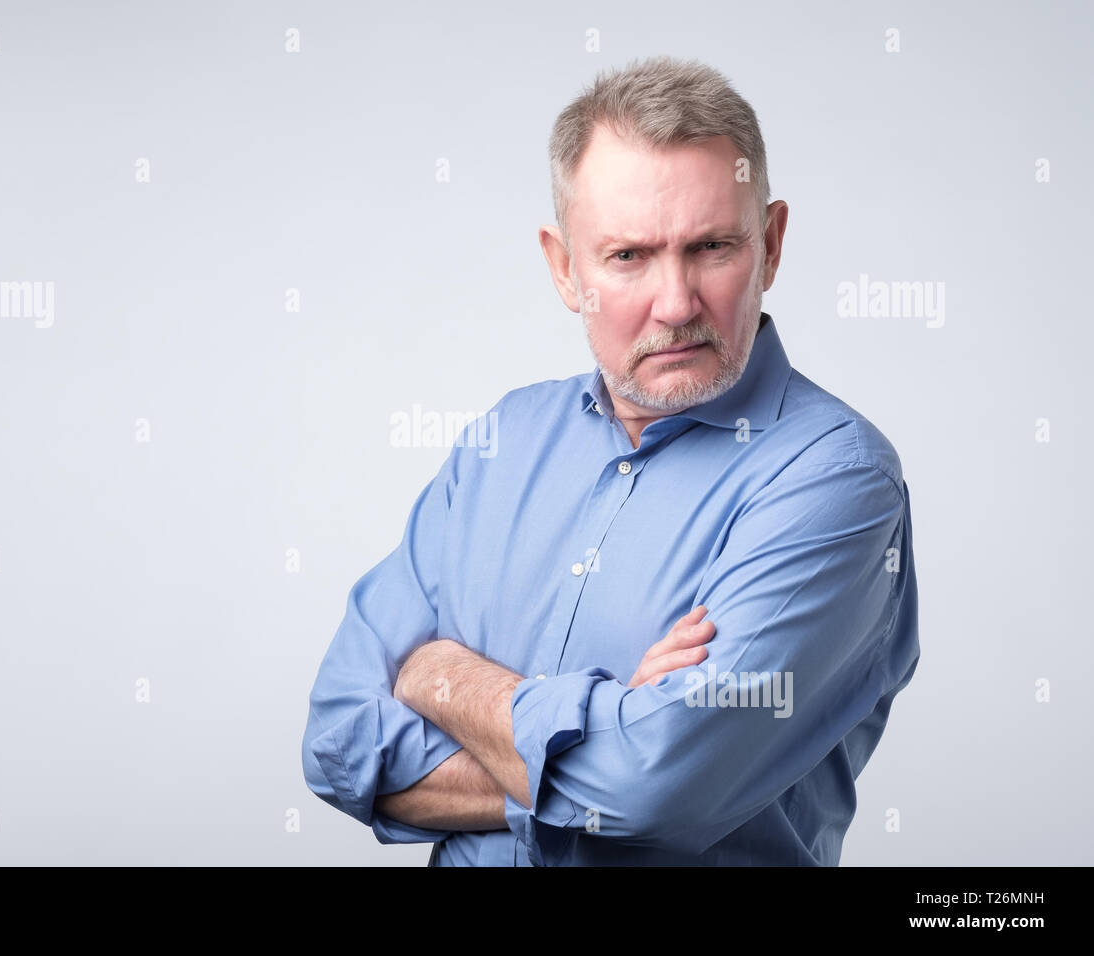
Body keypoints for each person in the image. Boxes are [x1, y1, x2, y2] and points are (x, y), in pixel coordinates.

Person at [301, 54, 920, 866]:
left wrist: (439, 674)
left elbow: (649, 793)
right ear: (566, 268)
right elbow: (338, 741)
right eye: (628, 256)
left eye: (711, 247)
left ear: (770, 245)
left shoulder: (837, 482)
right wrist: (612, 718)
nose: (675, 303)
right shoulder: (504, 442)